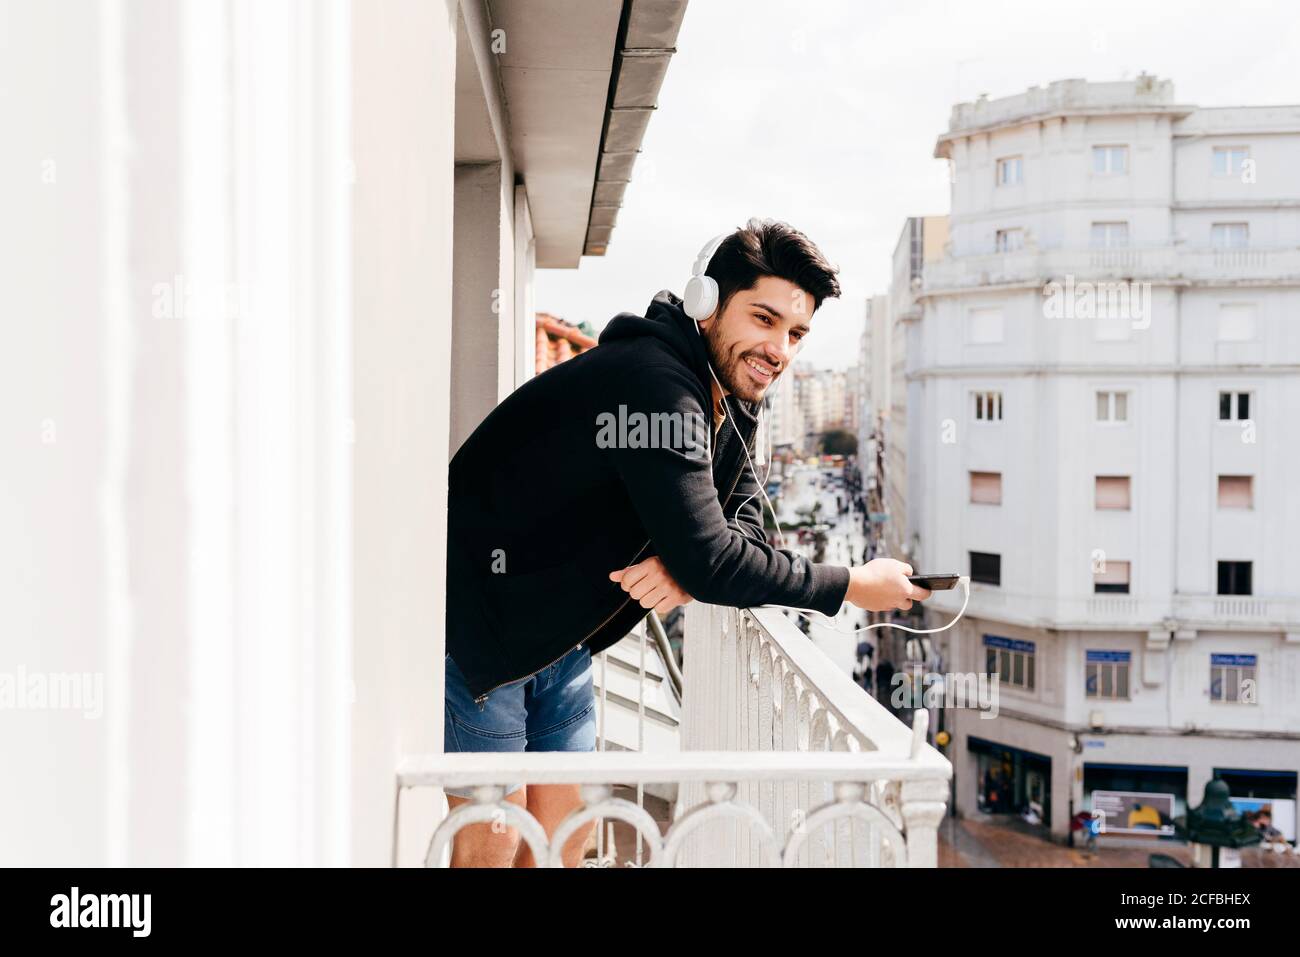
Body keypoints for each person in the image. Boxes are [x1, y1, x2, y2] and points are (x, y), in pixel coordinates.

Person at [444, 219, 931, 866]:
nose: (779, 348)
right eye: (763, 319)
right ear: (707, 303)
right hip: (484, 635)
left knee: (567, 840)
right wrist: (850, 585)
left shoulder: (728, 394)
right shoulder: (658, 386)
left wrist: (684, 566)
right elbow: (714, 556)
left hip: (559, 641)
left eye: (795, 334)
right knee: (492, 850)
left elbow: (741, 528)